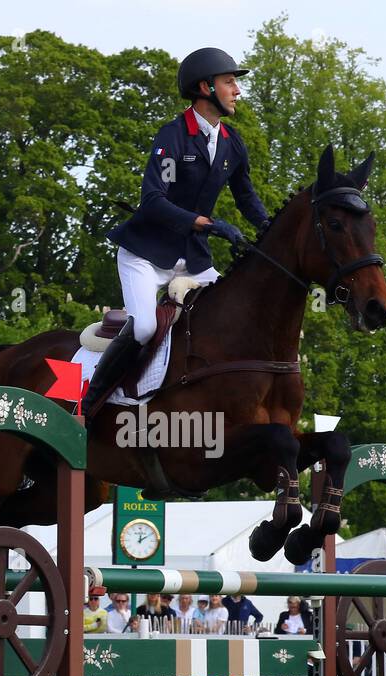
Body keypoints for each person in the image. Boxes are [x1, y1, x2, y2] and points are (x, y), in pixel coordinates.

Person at [82, 47, 270, 419]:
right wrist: (209, 224)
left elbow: (247, 198)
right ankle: (91, 404)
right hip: (147, 255)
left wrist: (269, 232)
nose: (237, 90)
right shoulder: (173, 137)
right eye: (229, 82)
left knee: (230, 314)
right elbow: (153, 200)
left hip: (193, 260)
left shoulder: (232, 143)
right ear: (205, 87)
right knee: (144, 328)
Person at [105, 593, 133, 676]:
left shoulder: (130, 613)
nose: (120, 603)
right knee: (117, 670)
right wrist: (121, 634)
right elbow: (109, 629)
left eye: (123, 601)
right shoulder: (110, 614)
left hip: (128, 646)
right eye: (118, 601)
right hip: (116, 645)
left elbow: (132, 628)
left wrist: (124, 615)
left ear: (127, 602)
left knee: (128, 670)